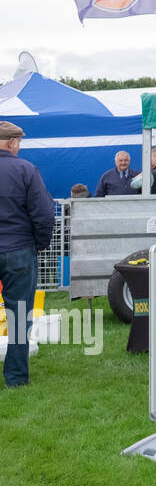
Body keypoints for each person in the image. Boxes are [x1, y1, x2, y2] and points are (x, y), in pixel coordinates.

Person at [0, 121, 55, 388]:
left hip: (16, 246)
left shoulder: (24, 168)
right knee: (19, 315)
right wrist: (40, 244)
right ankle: (16, 378)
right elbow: (44, 214)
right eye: (19, 142)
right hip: (18, 250)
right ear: (11, 143)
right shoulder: (25, 169)